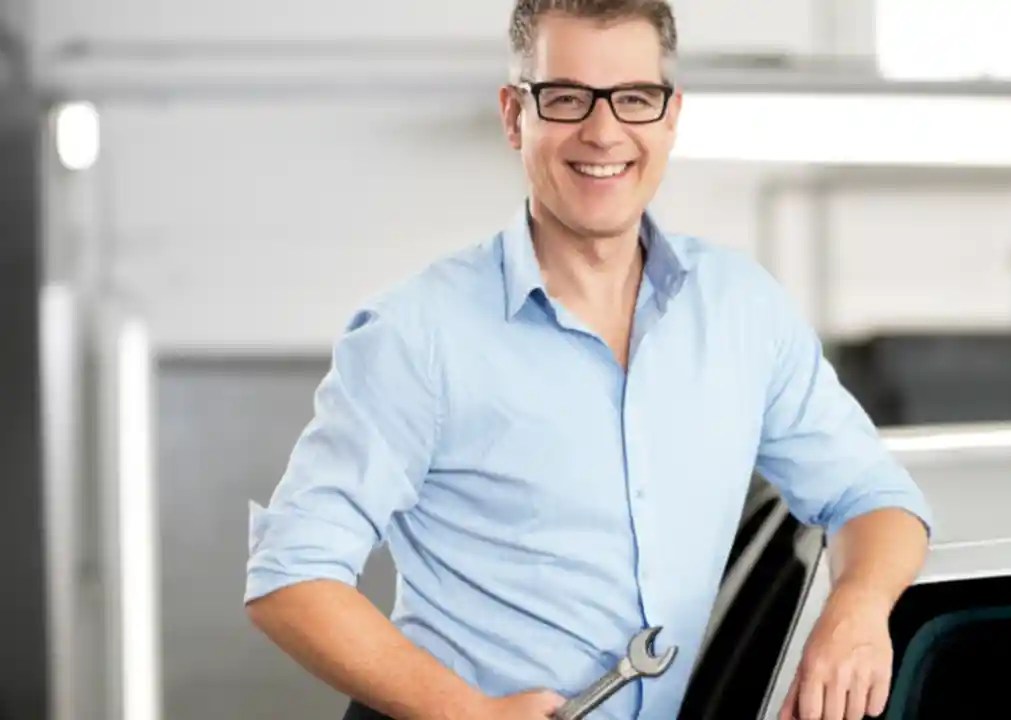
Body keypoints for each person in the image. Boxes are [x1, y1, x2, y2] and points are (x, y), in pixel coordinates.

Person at [243, 1, 933, 718]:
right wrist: (467, 712)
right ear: (515, 116)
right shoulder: (417, 334)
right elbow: (291, 576)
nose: (604, 132)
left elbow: (876, 498)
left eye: (634, 99)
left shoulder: (743, 313)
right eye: (567, 98)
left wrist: (858, 607)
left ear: (670, 116)